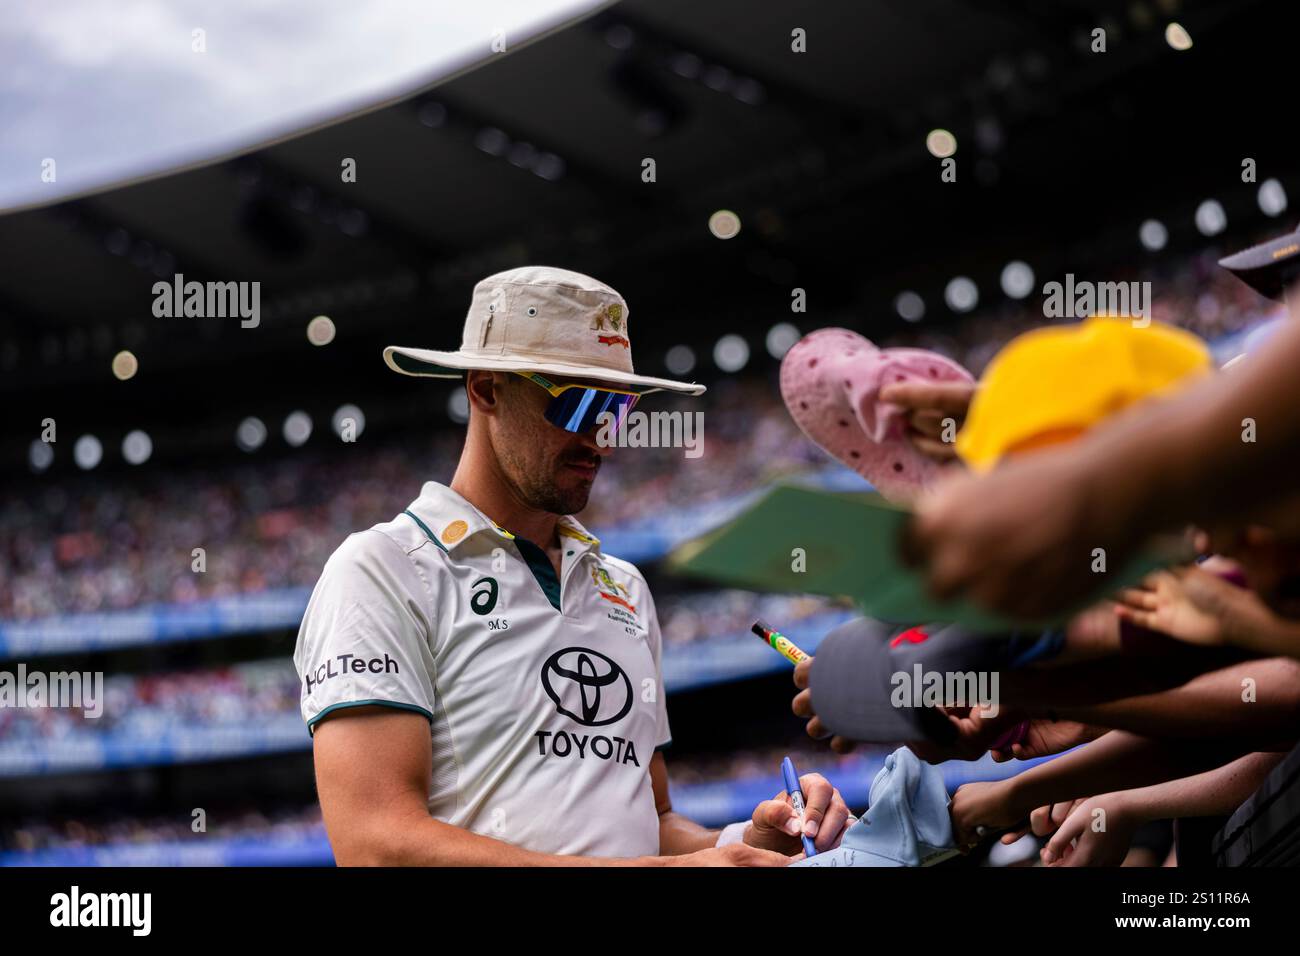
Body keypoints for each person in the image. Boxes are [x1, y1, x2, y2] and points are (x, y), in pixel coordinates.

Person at [294, 266, 851, 865]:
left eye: (620, 409)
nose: (602, 440)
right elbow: (375, 846)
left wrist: (744, 841)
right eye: (581, 403)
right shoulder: (382, 570)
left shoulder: (628, 588)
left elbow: (651, 820)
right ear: (485, 389)